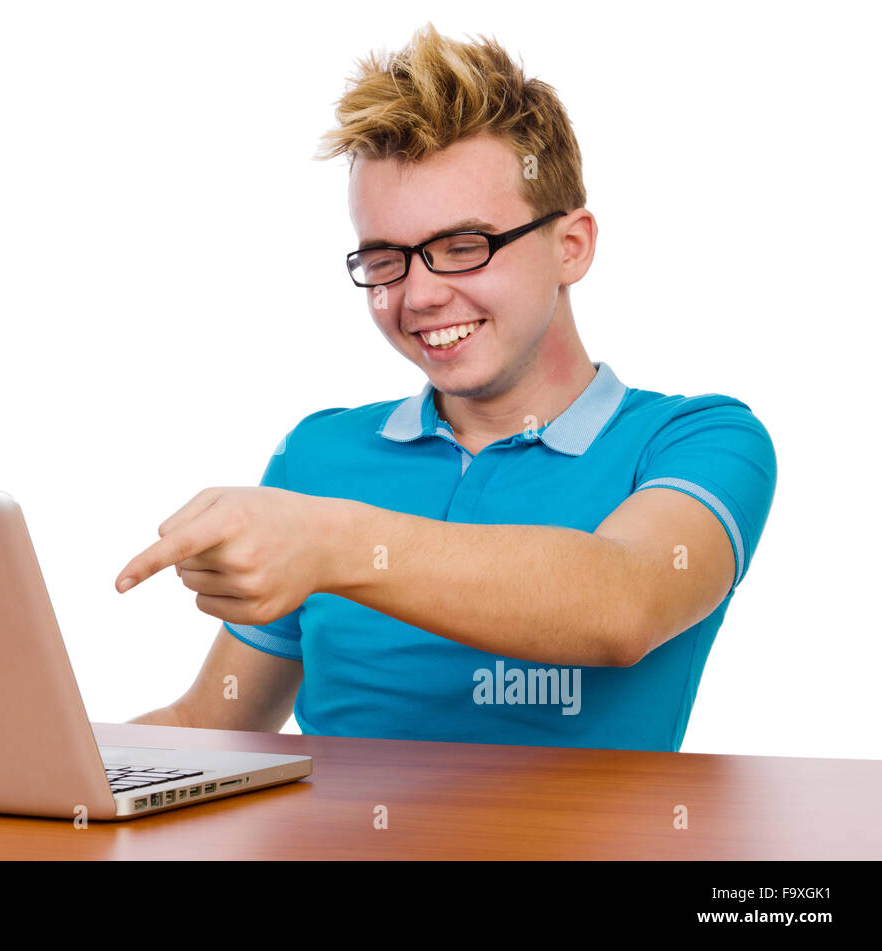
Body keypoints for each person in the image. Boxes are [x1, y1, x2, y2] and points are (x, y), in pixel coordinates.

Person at [114, 23, 776, 752]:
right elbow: (207, 726)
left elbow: (625, 603)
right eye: (385, 258)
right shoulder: (317, 456)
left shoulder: (698, 439)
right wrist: (20, 765)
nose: (420, 295)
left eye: (463, 247)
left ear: (571, 246)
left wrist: (329, 542)